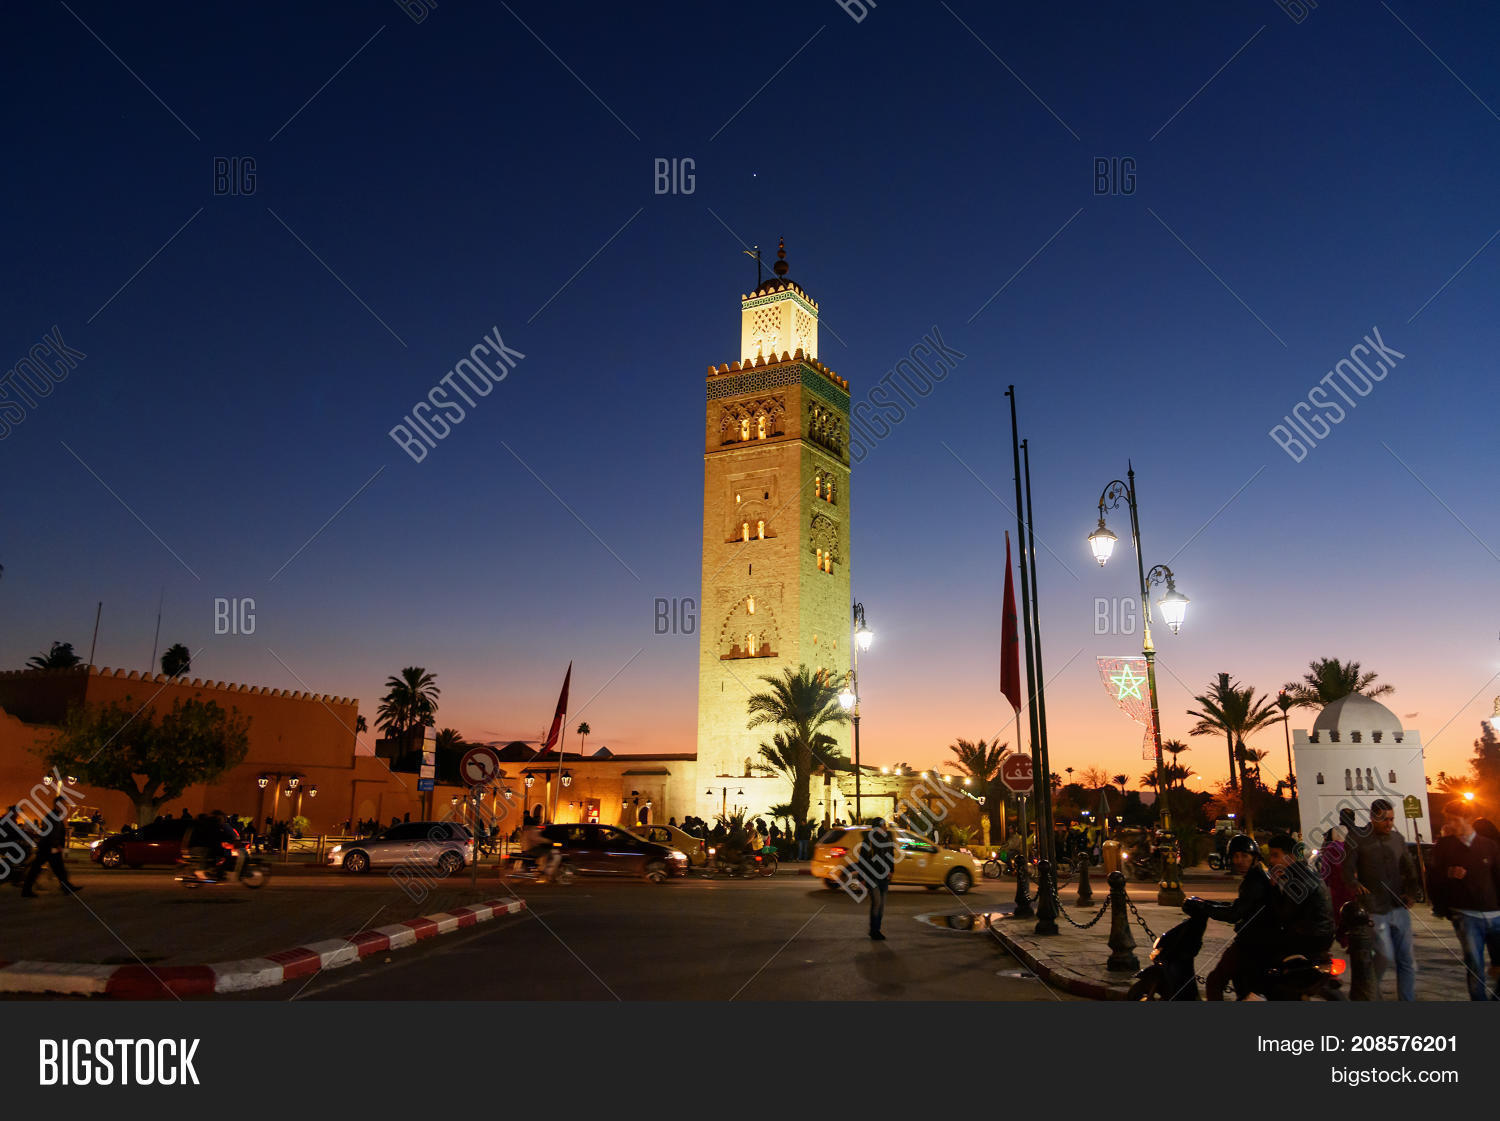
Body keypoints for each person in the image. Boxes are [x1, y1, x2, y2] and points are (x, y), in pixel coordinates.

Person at [1343, 798, 1420, 999]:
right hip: (1374, 908)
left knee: (1407, 961)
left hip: (1398, 906)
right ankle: (1369, 992)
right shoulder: (1357, 838)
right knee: (1385, 955)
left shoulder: (1397, 839)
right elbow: (1347, 870)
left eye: (1392, 819)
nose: (1389, 823)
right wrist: (1354, 884)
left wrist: (1411, 892)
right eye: (1385, 819)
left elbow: (1410, 869)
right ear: (1372, 817)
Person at [1430, 798, 1500, 1000]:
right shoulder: (1444, 846)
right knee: (1475, 965)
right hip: (1466, 914)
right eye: (1448, 820)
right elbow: (1433, 878)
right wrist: (1448, 874)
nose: (1451, 824)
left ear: (1468, 819)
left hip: (1494, 912)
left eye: (1455, 820)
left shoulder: (1488, 846)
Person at [1199, 834, 1275, 1000]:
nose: (1239, 860)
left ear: (1254, 857)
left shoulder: (1254, 882)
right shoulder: (1256, 877)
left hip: (1251, 943)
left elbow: (1235, 914)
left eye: (1244, 856)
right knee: (1241, 985)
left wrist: (1205, 908)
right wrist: (1208, 904)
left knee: (1215, 981)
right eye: (1235, 856)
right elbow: (1239, 905)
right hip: (1257, 940)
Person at [1265, 833, 1335, 963]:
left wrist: (1273, 888)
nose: (1271, 861)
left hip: (1310, 937)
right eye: (1271, 856)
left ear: (1291, 857)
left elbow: (1283, 916)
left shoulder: (1297, 880)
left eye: (1275, 855)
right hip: (1323, 934)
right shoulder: (1304, 871)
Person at [20, 795, 82, 897]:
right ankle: (26, 890)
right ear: (57, 805)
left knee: (58, 868)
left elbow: (57, 832)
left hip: (50, 847)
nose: (65, 807)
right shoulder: (53, 817)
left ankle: (66, 887)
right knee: (37, 869)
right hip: (48, 848)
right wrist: (56, 845)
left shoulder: (56, 816)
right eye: (63, 804)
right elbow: (51, 833)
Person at [860, 819, 896, 940]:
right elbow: (862, 860)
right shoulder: (868, 841)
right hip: (872, 877)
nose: (886, 827)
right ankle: (874, 930)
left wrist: (891, 870)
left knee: (882, 905)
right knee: (877, 902)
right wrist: (862, 877)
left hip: (884, 877)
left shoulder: (887, 839)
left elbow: (891, 856)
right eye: (883, 825)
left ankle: (877, 929)